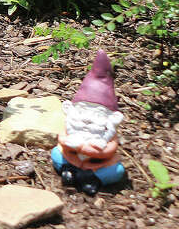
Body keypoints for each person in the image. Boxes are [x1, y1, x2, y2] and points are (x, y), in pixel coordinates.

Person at [51, 50, 126, 195]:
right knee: (56, 153)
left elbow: (110, 149)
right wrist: (69, 143)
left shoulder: (108, 132)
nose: (87, 119)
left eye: (97, 114)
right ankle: (69, 170)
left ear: (113, 118)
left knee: (117, 170)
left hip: (98, 165)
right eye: (82, 111)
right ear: (70, 109)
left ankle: (92, 178)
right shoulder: (72, 125)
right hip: (71, 158)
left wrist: (87, 150)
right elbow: (62, 138)